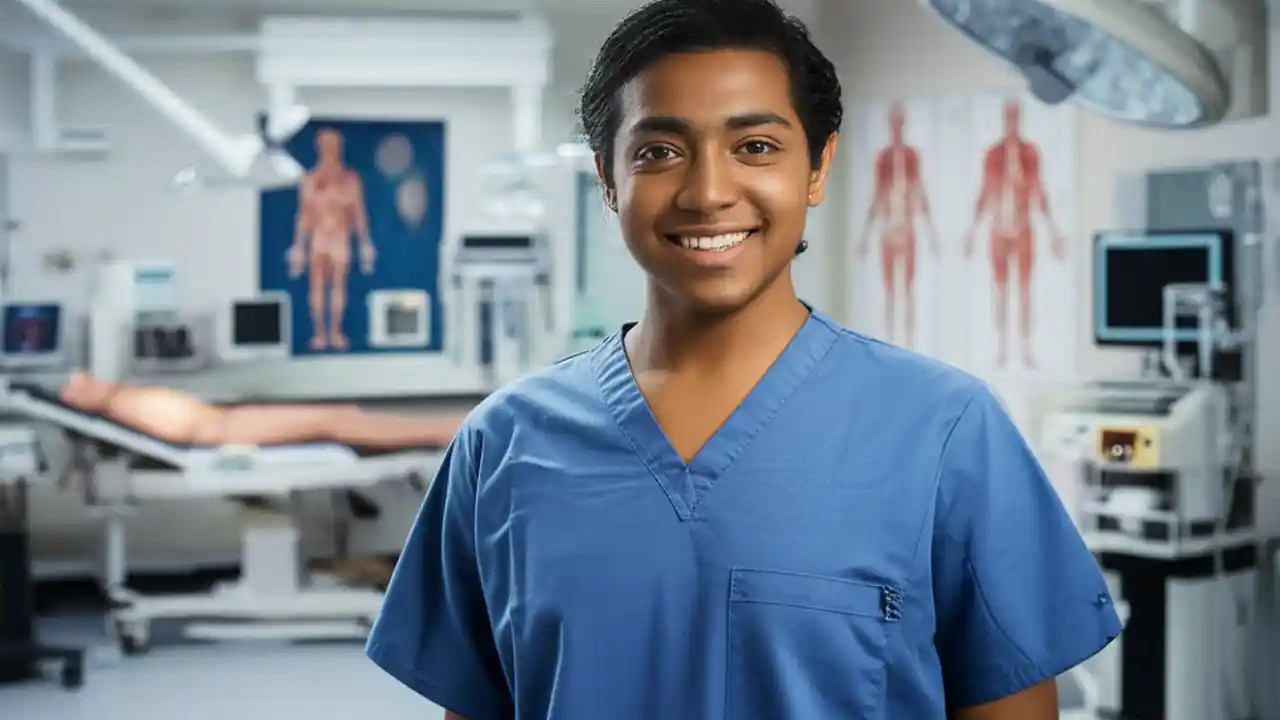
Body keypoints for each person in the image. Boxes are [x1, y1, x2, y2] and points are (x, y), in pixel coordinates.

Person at [366, 1, 1121, 719]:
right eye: (659, 152)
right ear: (607, 178)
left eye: (754, 146)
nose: (707, 191)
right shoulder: (504, 445)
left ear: (818, 168)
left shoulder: (944, 433)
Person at [57, 372, 463, 450]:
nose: (82, 378)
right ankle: (441, 431)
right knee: (337, 420)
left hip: (229, 423)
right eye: (79, 386)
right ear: (79, 404)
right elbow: (190, 429)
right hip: (228, 430)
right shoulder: (129, 406)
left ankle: (445, 430)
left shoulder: (126, 400)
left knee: (340, 416)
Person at [963, 99, 1066, 369]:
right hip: (998, 229)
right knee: (1000, 290)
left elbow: (1038, 190)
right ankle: (1001, 348)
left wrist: (1053, 232)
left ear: (1019, 119)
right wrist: (972, 232)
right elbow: (984, 193)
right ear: (1003, 119)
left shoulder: (1030, 152)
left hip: (1023, 228)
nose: (1011, 122)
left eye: (1014, 117)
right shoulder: (993, 154)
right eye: (1007, 117)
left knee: (1023, 291)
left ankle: (1025, 348)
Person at [856, 102, 938, 349]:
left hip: (908, 228)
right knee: (891, 289)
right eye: (893, 122)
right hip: (888, 231)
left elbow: (919, 191)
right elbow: (877, 194)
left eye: (899, 122)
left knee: (909, 288)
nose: (896, 127)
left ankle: (910, 342)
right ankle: (891, 338)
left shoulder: (912, 156)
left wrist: (931, 232)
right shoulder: (883, 158)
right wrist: (865, 236)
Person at [287, 128, 377, 352]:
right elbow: (304, 216)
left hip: (339, 237)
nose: (330, 151)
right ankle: (319, 333)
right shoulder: (310, 180)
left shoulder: (349, 180)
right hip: (319, 237)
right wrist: (298, 246)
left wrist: (365, 243)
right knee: (317, 287)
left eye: (333, 146)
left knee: (337, 287)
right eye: (326, 146)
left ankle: (335, 332)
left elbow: (358, 214)